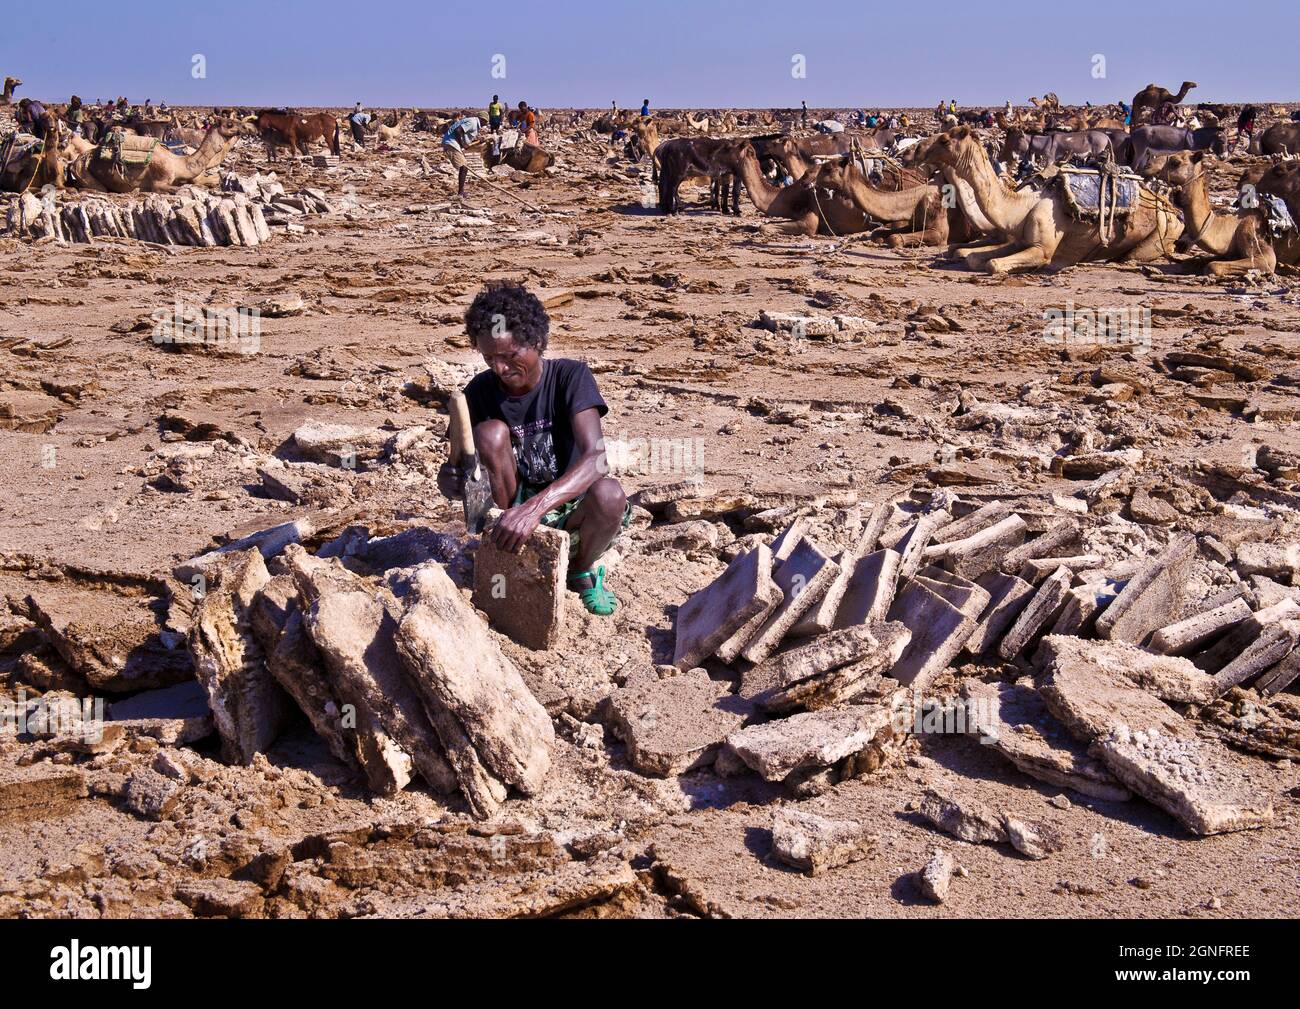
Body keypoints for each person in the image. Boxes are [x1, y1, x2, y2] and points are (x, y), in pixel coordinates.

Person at [438, 282, 629, 616]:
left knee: (610, 495)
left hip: (569, 503)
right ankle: (506, 555)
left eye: (510, 356)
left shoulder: (570, 377)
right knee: (490, 434)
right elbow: (457, 471)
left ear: (537, 342)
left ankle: (579, 570)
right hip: (509, 510)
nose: (499, 368)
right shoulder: (479, 392)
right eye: (489, 358)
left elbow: (597, 460)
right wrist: (451, 482)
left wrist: (536, 509)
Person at [442, 113, 482, 198]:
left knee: (464, 167)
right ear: (483, 120)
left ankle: (461, 192)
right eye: (485, 122)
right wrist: (461, 144)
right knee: (463, 167)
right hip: (451, 143)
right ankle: (460, 193)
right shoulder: (473, 122)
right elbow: (458, 130)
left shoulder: (471, 121)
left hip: (451, 143)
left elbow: (463, 137)